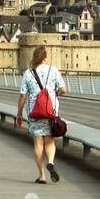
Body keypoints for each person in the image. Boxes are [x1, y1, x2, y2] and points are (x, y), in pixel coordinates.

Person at [15, 46, 67, 183]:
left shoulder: (28, 73)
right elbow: (63, 90)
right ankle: (51, 162)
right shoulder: (53, 70)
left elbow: (22, 95)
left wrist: (19, 114)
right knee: (49, 142)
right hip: (50, 112)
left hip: (34, 112)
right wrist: (55, 94)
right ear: (45, 57)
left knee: (38, 144)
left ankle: (42, 175)